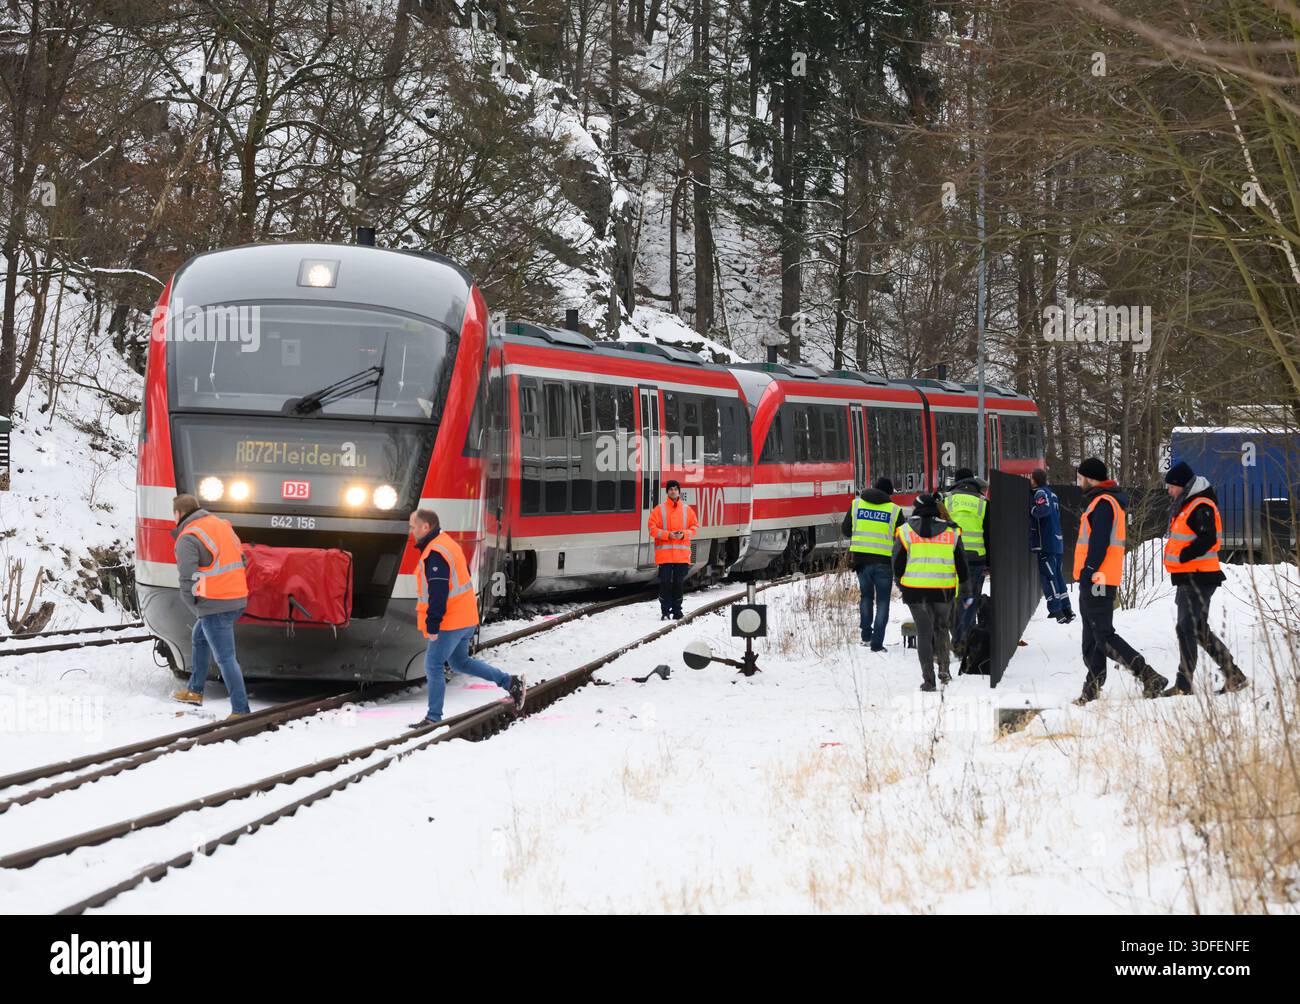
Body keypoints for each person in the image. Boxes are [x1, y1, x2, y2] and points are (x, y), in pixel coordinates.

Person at [408, 509, 525, 726]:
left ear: (426, 527)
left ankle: (433, 717)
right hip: (466, 616)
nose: (411, 531)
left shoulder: (435, 553)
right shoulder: (446, 543)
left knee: (433, 665)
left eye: (413, 526)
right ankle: (510, 682)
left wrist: (433, 624)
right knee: (460, 662)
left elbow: (439, 591)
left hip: (450, 621)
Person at [1071, 458, 1168, 705]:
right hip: (1097, 577)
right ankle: (1091, 690)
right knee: (1092, 639)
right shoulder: (1101, 502)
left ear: (1089, 478)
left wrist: (1089, 569)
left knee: (1102, 636)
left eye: (1080, 477)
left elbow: (1100, 542)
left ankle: (1149, 675)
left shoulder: (1103, 504)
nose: (1078, 481)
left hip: (1097, 577)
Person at [1162, 461, 1249, 696]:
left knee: (1185, 627)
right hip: (1190, 576)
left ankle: (1184, 684)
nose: (1168, 490)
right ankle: (1234, 675)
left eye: (1171, 486)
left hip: (1198, 576)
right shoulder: (1189, 503)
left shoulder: (1200, 505)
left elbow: (1208, 538)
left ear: (1182, 485)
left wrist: (1183, 555)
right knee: (1198, 629)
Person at [169, 494, 251, 719]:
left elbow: (187, 577)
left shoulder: (188, 537)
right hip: (237, 598)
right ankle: (195, 691)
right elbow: (242, 559)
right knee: (199, 637)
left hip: (215, 603)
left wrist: (193, 602)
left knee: (225, 657)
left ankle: (241, 710)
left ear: (178, 514)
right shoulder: (221, 525)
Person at [892, 493, 969, 692]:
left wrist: (902, 585)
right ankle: (944, 669)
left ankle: (928, 680)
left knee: (924, 633)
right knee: (942, 629)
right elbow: (962, 564)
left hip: (915, 591)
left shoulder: (905, 531)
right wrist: (965, 588)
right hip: (943, 590)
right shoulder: (952, 532)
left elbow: (897, 563)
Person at [842, 477, 904, 649]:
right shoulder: (894, 510)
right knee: (883, 601)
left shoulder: (856, 505)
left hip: (861, 561)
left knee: (866, 597)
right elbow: (903, 539)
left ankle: (866, 636)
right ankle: (877, 643)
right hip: (884, 562)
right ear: (889, 493)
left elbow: (845, 530)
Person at [942, 468, 989, 651]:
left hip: (951, 556)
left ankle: (957, 638)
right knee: (969, 600)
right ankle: (966, 641)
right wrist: (989, 563)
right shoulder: (983, 502)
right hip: (976, 559)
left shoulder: (946, 500)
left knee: (952, 598)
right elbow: (989, 535)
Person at [647, 479, 698, 620]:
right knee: (665, 583)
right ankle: (665, 611)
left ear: (679, 491)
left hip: (681, 556)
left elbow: (694, 528)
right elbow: (652, 529)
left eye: (675, 489)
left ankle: (677, 611)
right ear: (667, 492)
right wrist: (667, 535)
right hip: (665, 556)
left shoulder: (687, 510)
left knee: (678, 584)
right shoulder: (659, 509)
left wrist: (684, 535)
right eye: (671, 489)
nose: (673, 491)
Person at [1029, 468, 1074, 624]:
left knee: (1048, 577)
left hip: (1047, 543)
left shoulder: (1041, 493)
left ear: (1035, 480)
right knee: (1058, 575)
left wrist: (1032, 509)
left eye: (1031, 478)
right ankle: (1067, 608)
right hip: (1057, 541)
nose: (1030, 481)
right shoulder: (1053, 494)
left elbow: (1044, 509)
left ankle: (1056, 610)